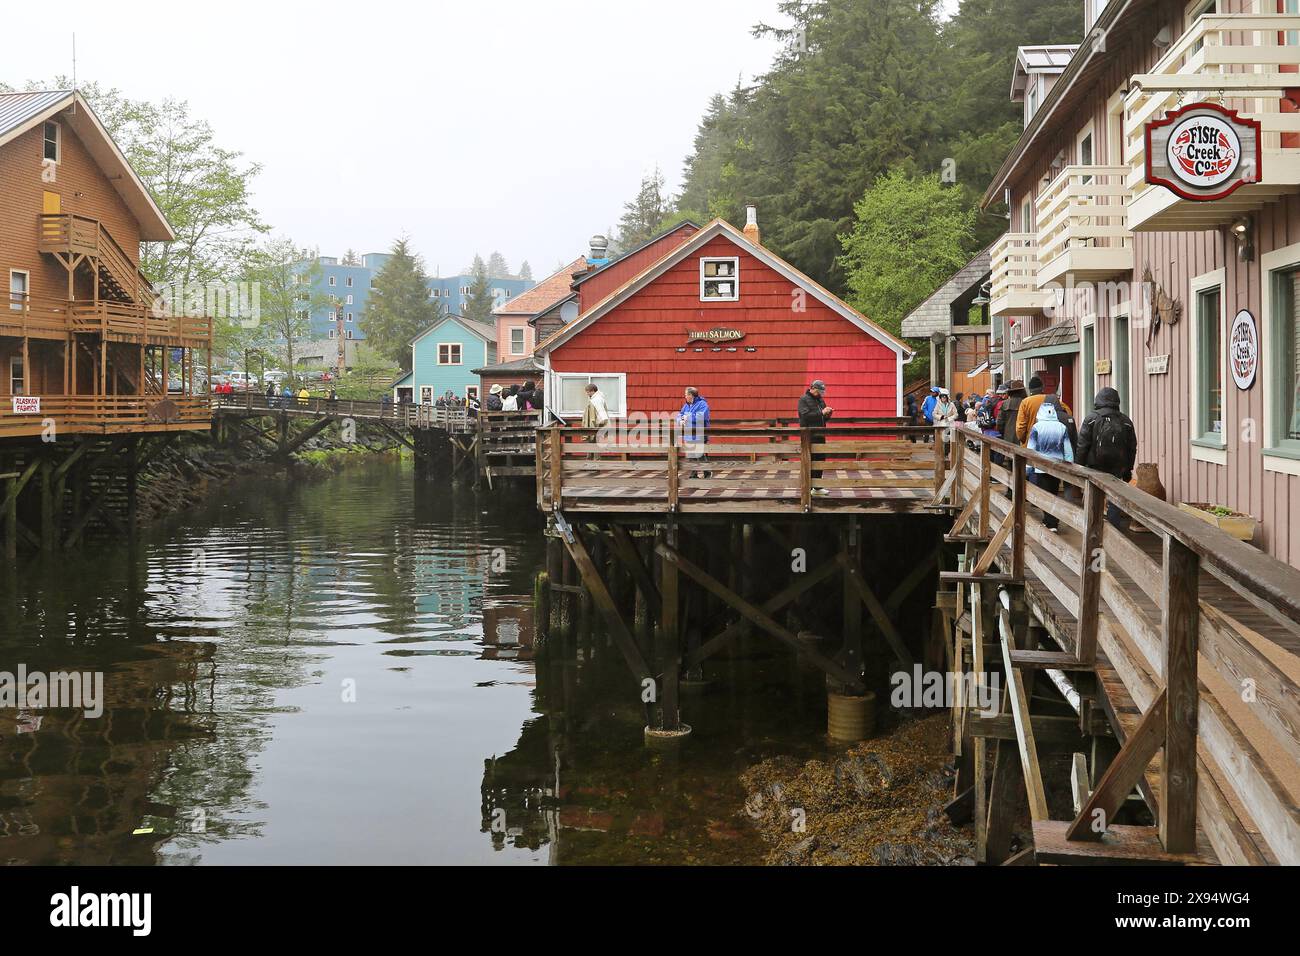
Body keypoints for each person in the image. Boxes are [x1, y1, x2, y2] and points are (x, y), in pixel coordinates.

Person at [1076, 387, 1138, 528]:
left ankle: (1092, 528)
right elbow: (1131, 448)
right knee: (1114, 500)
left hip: (1094, 467)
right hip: (1117, 468)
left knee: (1094, 498)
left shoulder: (1091, 419)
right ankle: (1114, 531)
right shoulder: (1126, 421)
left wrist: (1078, 467)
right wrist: (1128, 469)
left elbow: (1082, 446)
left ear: (1098, 399)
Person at [1026, 402, 1074, 531]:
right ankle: (1050, 521)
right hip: (1057, 466)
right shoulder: (1062, 427)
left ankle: (1051, 521)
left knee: (1043, 493)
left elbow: (1031, 449)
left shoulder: (1037, 427)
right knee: (1053, 493)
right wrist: (1069, 465)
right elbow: (1068, 449)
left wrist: (1028, 468)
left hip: (1040, 466)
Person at [1016, 375, 1076, 448]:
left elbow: (1020, 428)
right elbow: (1068, 413)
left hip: (1031, 444)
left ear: (1030, 389)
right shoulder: (1052, 399)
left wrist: (1023, 439)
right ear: (1042, 388)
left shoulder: (1025, 402)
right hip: (1051, 442)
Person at [798, 379, 833, 493]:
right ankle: (807, 488)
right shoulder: (803, 400)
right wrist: (821, 413)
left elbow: (822, 417)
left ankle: (817, 487)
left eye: (822, 392)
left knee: (820, 459)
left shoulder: (820, 400)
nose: (820, 394)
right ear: (812, 388)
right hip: (809, 436)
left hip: (820, 434)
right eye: (819, 392)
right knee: (809, 461)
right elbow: (805, 416)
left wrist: (828, 414)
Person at [679, 386, 711, 478]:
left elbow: (701, 417)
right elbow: (679, 416)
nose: (685, 397)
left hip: (699, 434)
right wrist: (681, 420)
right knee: (691, 455)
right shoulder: (686, 406)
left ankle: (707, 472)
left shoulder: (702, 404)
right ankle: (693, 474)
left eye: (686, 395)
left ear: (691, 395)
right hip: (689, 434)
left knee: (699, 454)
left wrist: (687, 417)